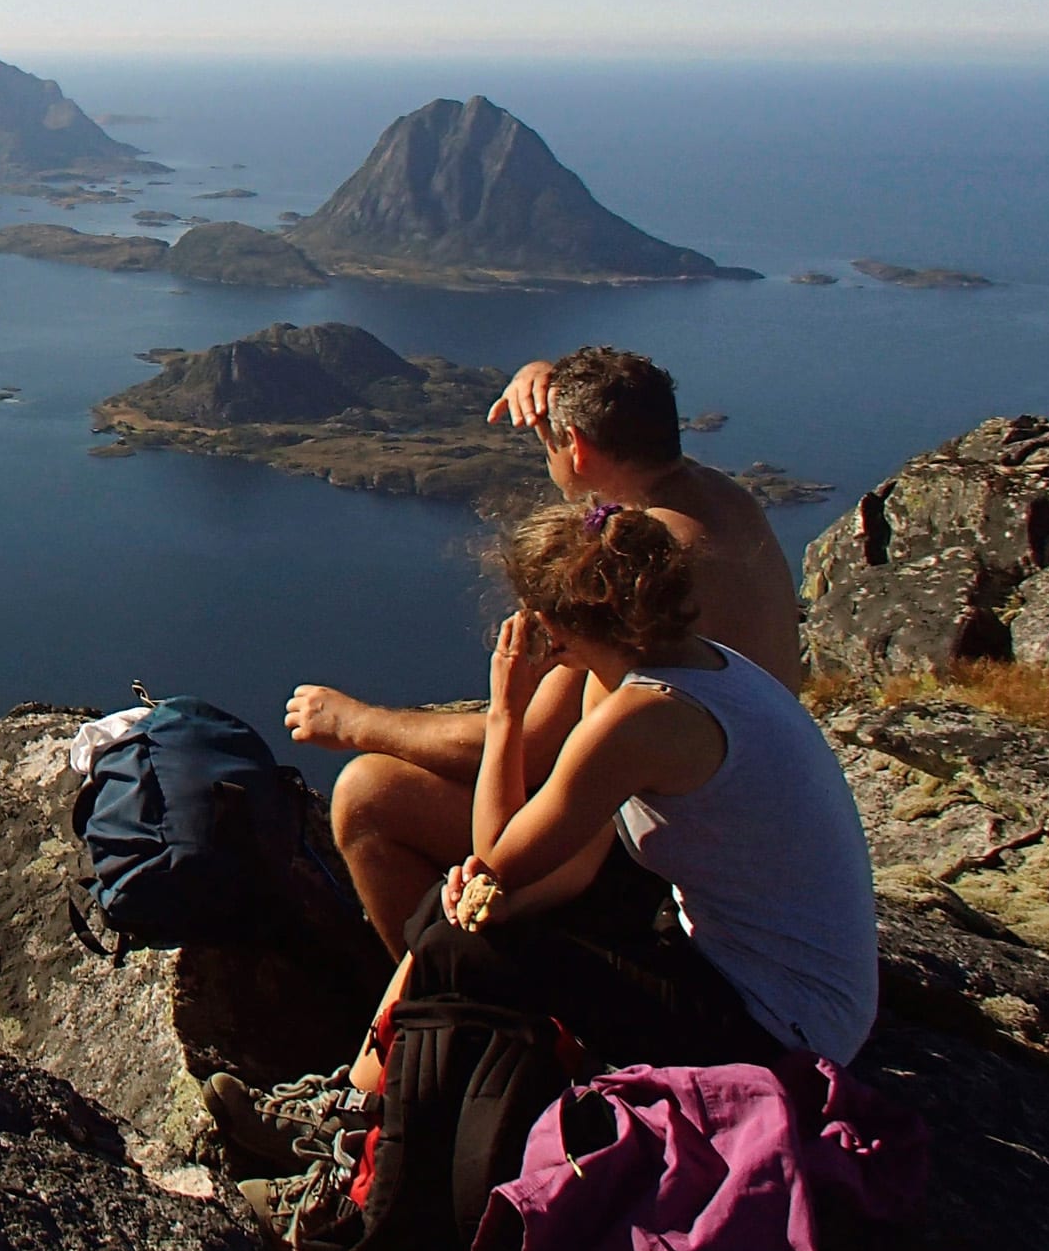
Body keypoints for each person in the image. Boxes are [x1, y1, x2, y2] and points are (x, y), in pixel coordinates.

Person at [219, 500, 878, 1249]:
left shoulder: (643, 716)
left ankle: (366, 1192)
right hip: (758, 970)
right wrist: (498, 901)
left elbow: (497, 846)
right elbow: (573, 853)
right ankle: (366, 1096)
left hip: (779, 1026)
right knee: (471, 918)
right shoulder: (686, 664)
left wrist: (506, 709)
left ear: (555, 622)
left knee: (460, 948)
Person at [286, 346, 806, 954]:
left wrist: (354, 724)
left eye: (551, 441)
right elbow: (604, 439)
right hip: (747, 826)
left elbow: (532, 749)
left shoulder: (635, 573)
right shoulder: (715, 502)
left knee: (368, 793)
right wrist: (547, 384)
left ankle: (441, 1009)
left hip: (678, 875)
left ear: (579, 447)